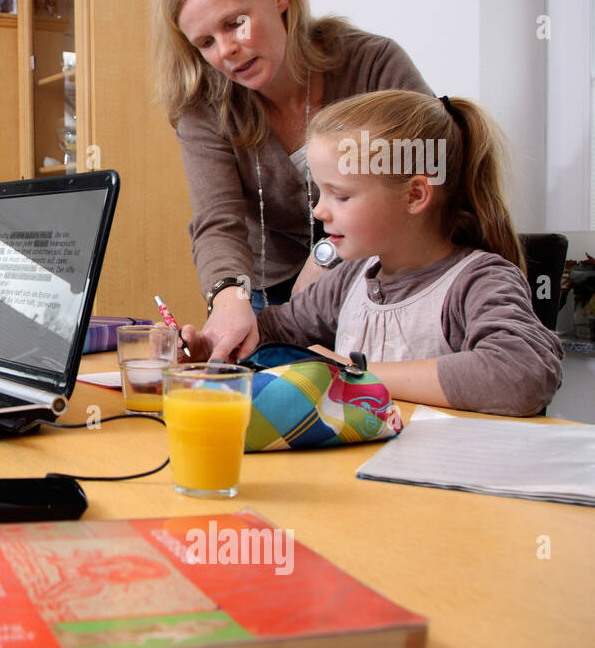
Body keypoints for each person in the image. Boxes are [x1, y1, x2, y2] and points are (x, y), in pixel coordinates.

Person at [179, 90, 564, 417]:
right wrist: (214, 349)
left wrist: (355, 373)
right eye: (320, 192)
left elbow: (521, 373)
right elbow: (268, 338)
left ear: (415, 195)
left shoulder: (479, 280)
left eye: (341, 195)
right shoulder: (351, 277)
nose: (319, 210)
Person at [152, 0, 434, 363]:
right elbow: (217, 221)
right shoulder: (205, 109)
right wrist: (228, 300)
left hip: (387, 277)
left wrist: (328, 253)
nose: (226, 50)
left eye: (234, 23)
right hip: (278, 298)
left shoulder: (372, 64)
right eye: (206, 42)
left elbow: (433, 172)